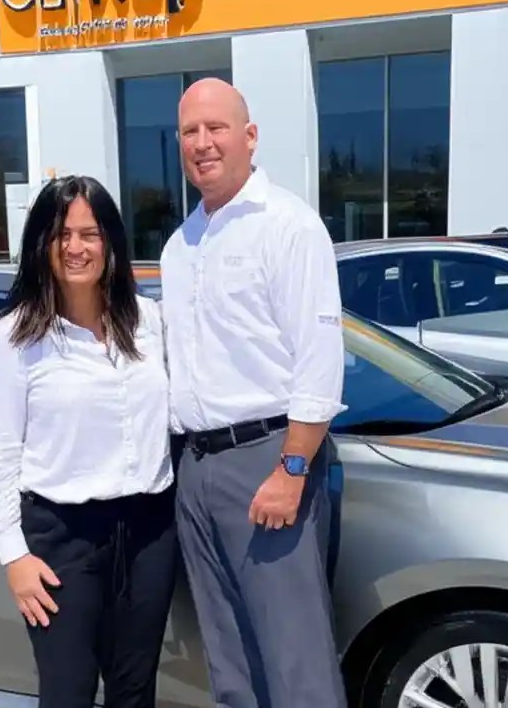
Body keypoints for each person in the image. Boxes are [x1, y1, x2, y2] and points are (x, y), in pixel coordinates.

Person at [162, 77, 348, 707]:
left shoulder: (288, 226)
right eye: (189, 132)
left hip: (267, 462)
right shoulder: (181, 246)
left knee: (295, 661)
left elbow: (319, 358)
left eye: (216, 128)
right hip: (195, 467)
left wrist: (292, 469)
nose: (202, 143)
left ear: (249, 136)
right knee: (230, 660)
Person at [0, 175, 178, 708]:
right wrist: (14, 557)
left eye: (90, 234)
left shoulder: (149, 322)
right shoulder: (14, 339)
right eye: (61, 235)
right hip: (62, 538)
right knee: (68, 692)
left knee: (135, 690)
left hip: (149, 531)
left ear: (110, 241)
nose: (75, 247)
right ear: (41, 244)